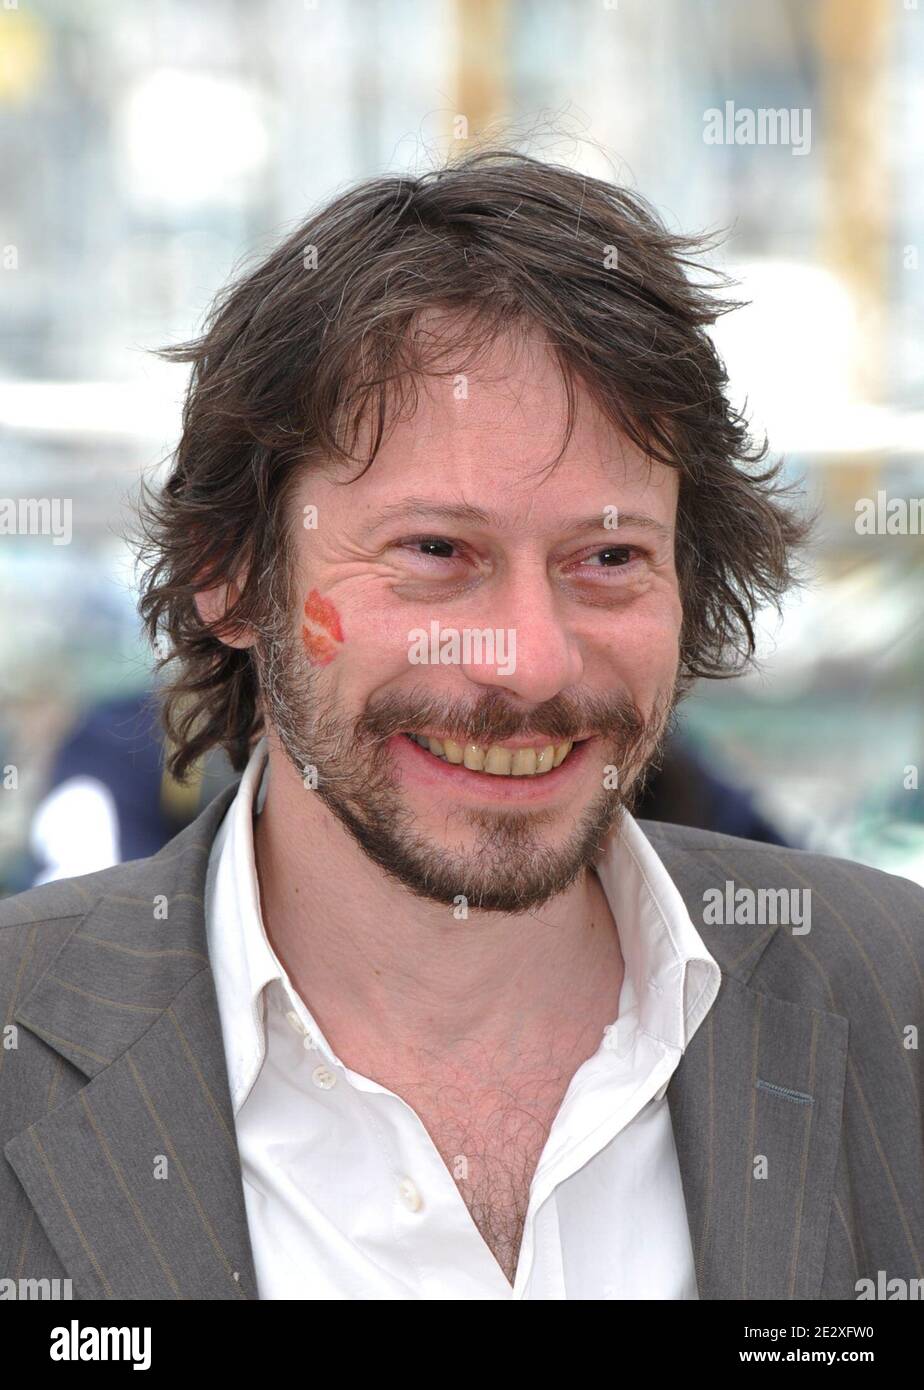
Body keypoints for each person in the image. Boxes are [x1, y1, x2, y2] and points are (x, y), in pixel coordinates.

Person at [1, 150, 920, 1302]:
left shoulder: (896, 998)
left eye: (609, 558)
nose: (529, 659)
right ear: (229, 573)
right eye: (437, 552)